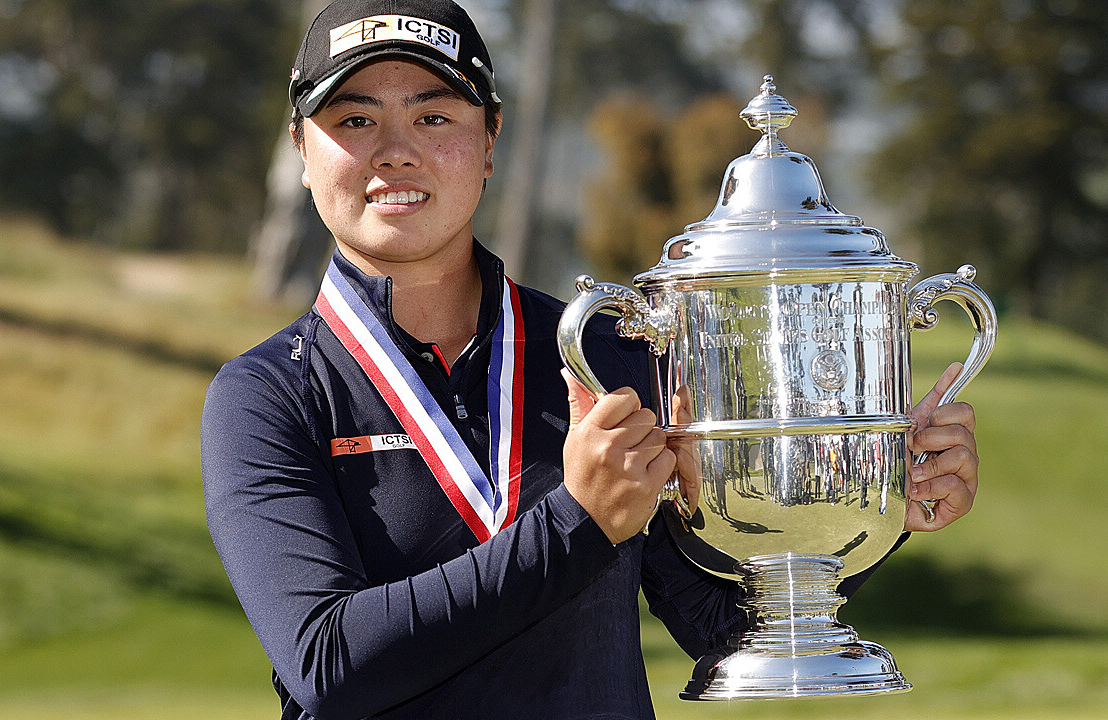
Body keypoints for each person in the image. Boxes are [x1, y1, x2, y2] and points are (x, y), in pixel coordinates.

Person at [201, 1, 980, 718]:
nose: (396, 152)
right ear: (302, 150)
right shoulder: (268, 395)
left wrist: (877, 508)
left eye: (433, 116)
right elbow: (328, 663)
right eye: (354, 119)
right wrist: (579, 521)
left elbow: (720, 628)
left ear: (489, 141)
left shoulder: (605, 355)